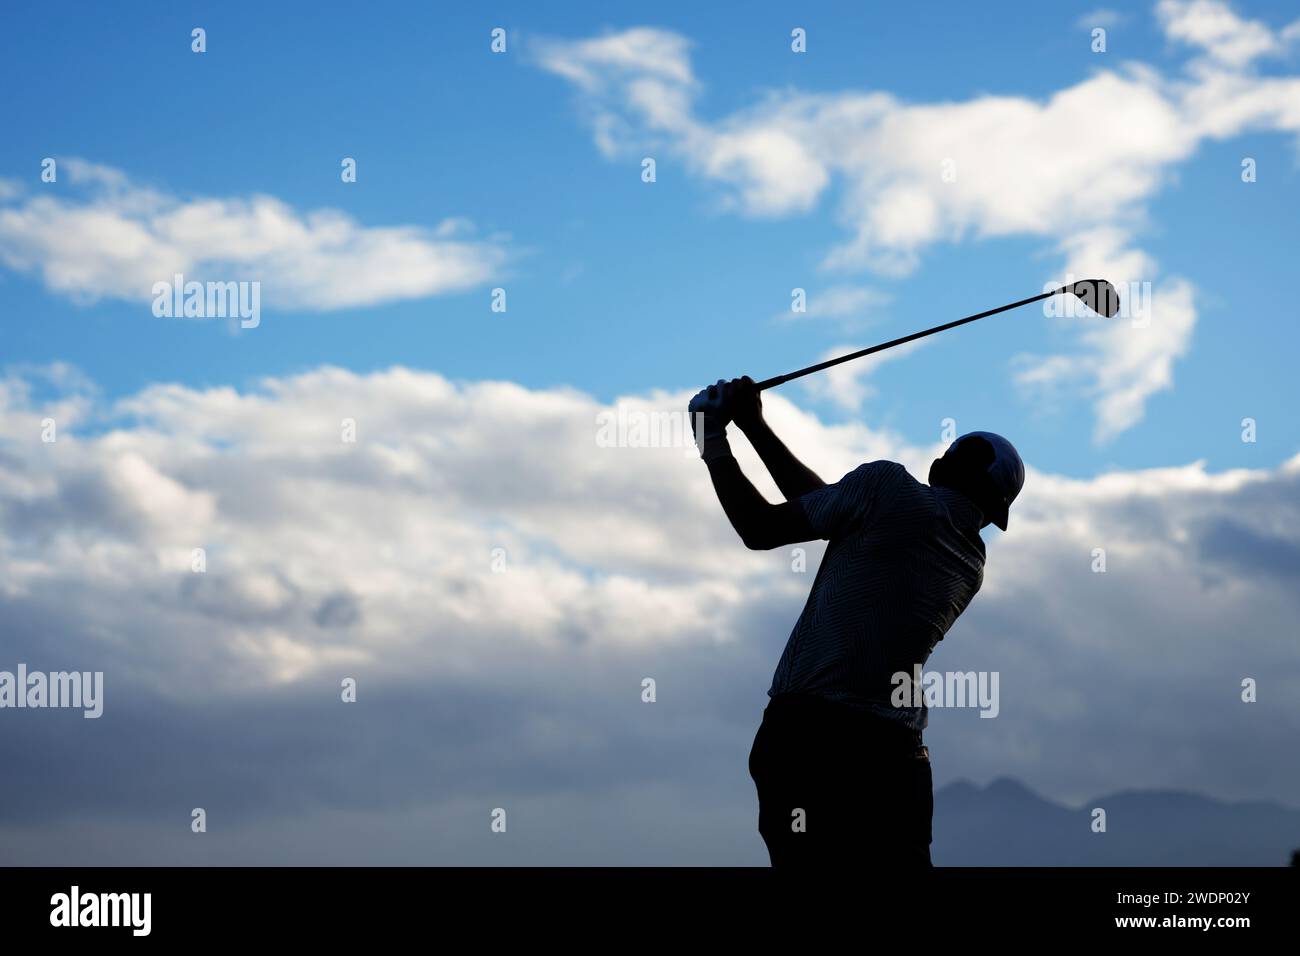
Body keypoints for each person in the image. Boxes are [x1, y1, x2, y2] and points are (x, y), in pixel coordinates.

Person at [687, 376, 1025, 867]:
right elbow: (830, 504)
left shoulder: (886, 488)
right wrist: (753, 425)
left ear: (937, 469)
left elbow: (759, 527)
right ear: (994, 510)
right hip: (896, 756)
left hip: (809, 740)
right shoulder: (969, 562)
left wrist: (711, 435)